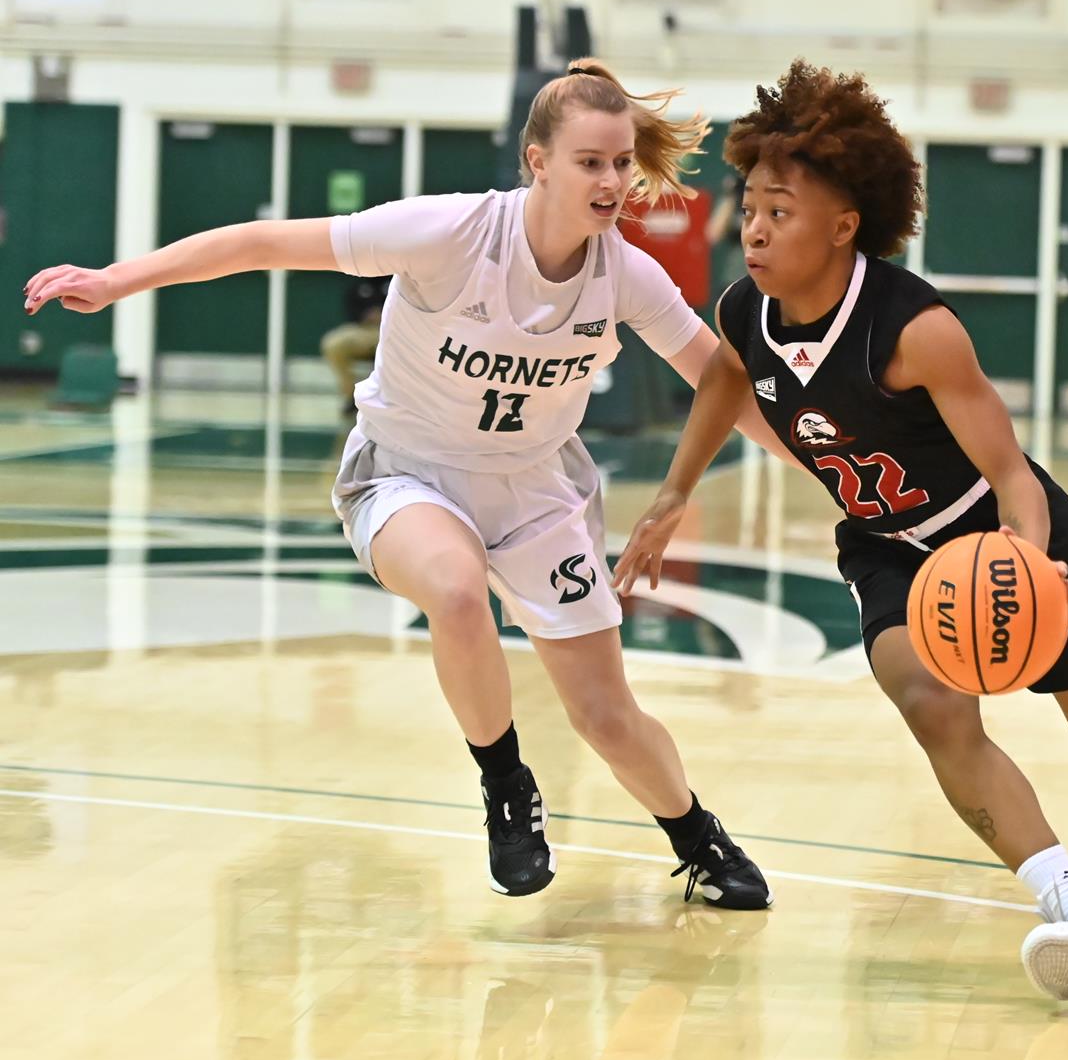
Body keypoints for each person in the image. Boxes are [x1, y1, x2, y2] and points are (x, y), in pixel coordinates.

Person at [613, 59, 1068, 1003]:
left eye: (780, 212)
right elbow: (727, 371)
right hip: (888, 546)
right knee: (930, 707)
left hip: (1005, 537)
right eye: (751, 206)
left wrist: (1026, 566)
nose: (755, 230)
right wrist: (673, 493)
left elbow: (1010, 472)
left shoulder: (914, 329)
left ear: (844, 227)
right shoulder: (743, 311)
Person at [24, 60, 786, 913]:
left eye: (619, 163)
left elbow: (723, 388)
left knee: (607, 717)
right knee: (456, 591)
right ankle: (507, 785)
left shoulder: (628, 278)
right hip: (407, 470)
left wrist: (835, 466)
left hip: (536, 490)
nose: (611, 181)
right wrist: (116, 280)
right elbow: (260, 242)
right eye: (589, 163)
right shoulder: (447, 234)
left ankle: (696, 836)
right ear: (536, 162)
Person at [323, 274, 386, 413]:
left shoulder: (401, 280)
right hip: (363, 330)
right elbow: (351, 311)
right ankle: (351, 396)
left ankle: (394, 397)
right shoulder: (360, 284)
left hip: (394, 332)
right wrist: (366, 316)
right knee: (334, 343)